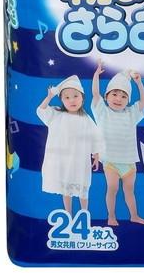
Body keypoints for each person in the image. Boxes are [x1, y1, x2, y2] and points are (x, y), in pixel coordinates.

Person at [36, 73, 104, 215]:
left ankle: (84, 213)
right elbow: (41, 110)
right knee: (66, 187)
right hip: (63, 159)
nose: (72, 100)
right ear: (61, 100)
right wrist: (49, 97)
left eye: (75, 96)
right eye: (67, 97)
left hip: (80, 160)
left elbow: (95, 135)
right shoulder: (56, 114)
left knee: (82, 186)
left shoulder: (85, 118)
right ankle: (69, 214)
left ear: (82, 98)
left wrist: (96, 154)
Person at [92, 62, 144, 225]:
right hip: (111, 161)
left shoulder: (131, 113)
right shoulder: (102, 112)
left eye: (124, 96)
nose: (118, 99)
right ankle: (111, 217)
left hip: (129, 162)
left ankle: (134, 216)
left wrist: (139, 83)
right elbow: (95, 93)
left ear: (128, 100)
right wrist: (96, 75)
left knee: (129, 191)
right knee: (113, 188)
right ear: (106, 97)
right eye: (115, 94)